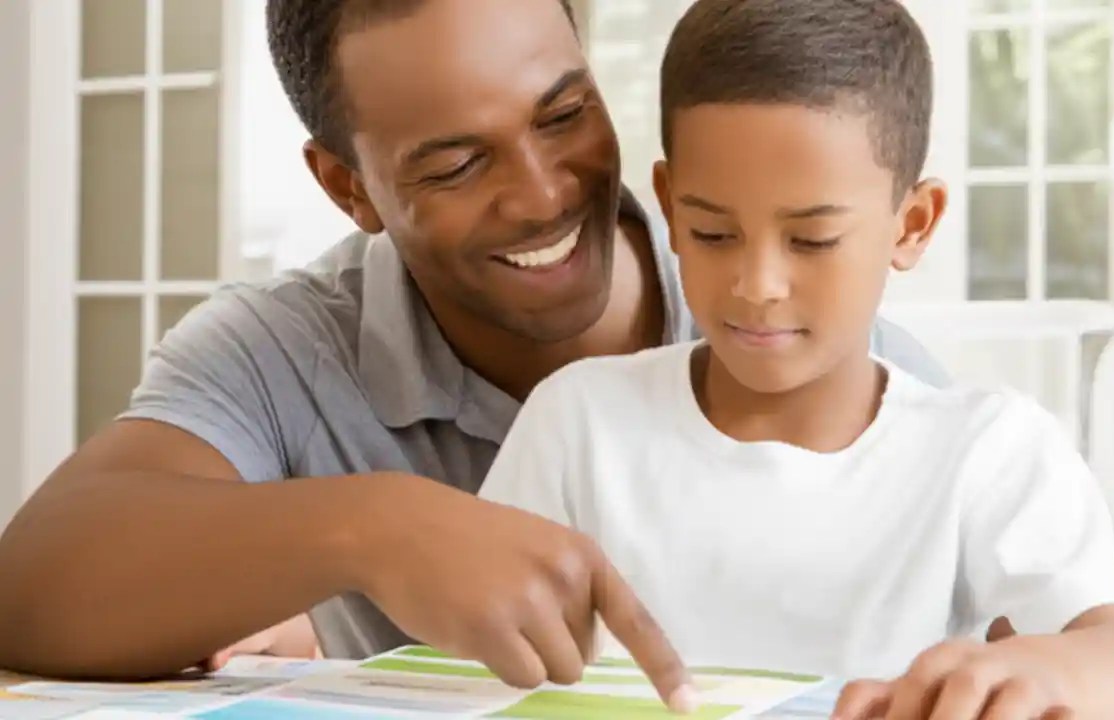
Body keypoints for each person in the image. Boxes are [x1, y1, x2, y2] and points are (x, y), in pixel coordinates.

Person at [0, 0, 945, 710]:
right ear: (347, 188)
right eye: (454, 165)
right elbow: (31, 590)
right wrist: (371, 530)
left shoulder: (823, 359)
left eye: (563, 114)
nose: (540, 196)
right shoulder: (287, 352)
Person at [475, 0, 1114, 718]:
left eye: (811, 241)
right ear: (669, 209)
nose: (758, 286)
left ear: (913, 224)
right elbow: (468, 669)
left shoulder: (986, 453)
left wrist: (1052, 673)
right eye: (713, 232)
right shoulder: (578, 423)